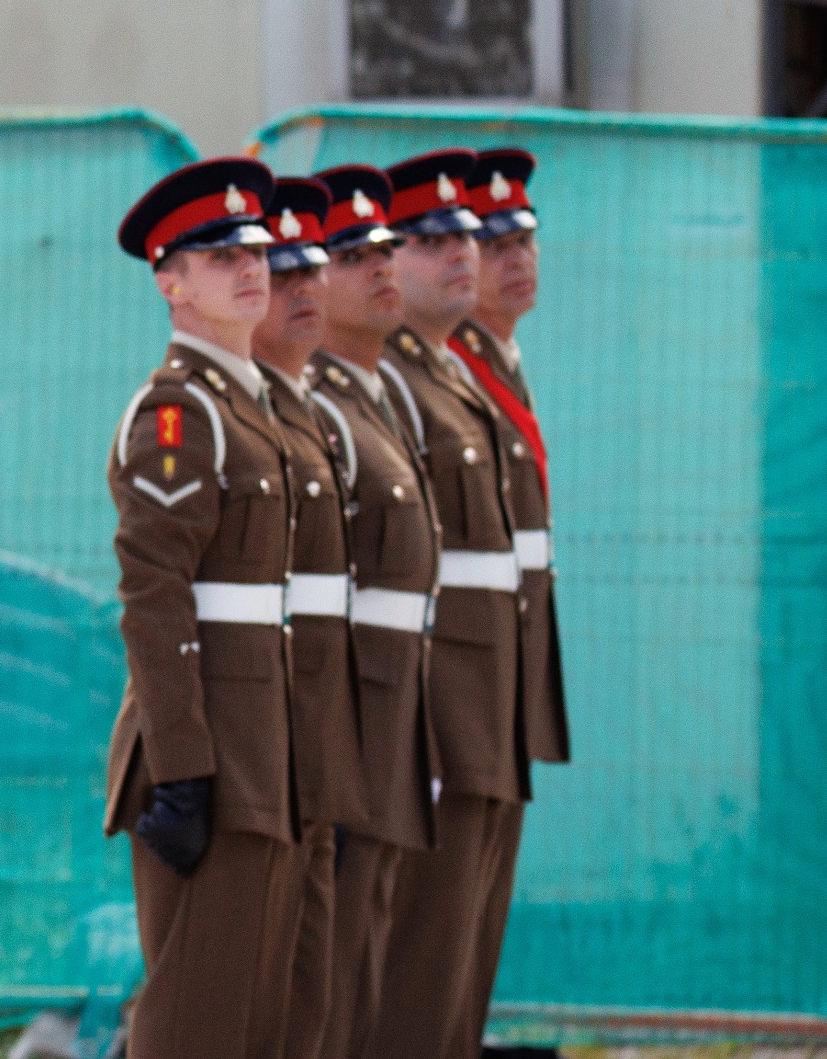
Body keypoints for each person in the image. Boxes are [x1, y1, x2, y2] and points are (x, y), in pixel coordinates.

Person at [105, 157, 306, 1059]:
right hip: (213, 761)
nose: (251, 268)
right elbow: (155, 596)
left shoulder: (251, 404)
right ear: (170, 281)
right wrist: (183, 770)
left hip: (264, 755)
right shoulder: (180, 413)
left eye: (255, 251)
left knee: (255, 1022)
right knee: (195, 1019)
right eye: (222, 256)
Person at [364, 149, 525, 1059]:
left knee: (461, 965)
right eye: (432, 240)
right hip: (439, 708)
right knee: (419, 968)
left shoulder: (454, 372)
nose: (463, 253)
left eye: (468, 237)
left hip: (487, 698)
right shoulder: (392, 378)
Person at [302, 165, 442, 1059]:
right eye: (352, 256)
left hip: (393, 716)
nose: (380, 268)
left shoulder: (377, 393)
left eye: (385, 250)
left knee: (364, 971)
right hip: (348, 721)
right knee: (329, 980)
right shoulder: (321, 406)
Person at [450, 148, 569, 1056]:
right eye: (493, 243)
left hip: (505, 676)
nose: (515, 257)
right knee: (439, 928)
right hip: (459, 690)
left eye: (523, 238)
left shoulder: (499, 361)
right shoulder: (448, 369)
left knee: (472, 928)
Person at [248, 175, 368, 1058]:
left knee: (308, 1001)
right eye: (274, 270)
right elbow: (163, 599)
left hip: (315, 733)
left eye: (309, 269)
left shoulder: (304, 412)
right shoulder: (196, 413)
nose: (301, 288)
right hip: (251, 748)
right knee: (226, 1001)